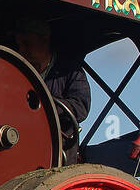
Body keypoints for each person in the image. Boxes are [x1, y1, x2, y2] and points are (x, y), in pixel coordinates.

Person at [7, 15, 90, 160]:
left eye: (27, 43)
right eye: (19, 44)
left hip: (57, 152)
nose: (22, 49)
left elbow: (80, 107)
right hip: (19, 148)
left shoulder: (70, 71)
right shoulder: (14, 73)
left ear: (44, 41)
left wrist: (43, 104)